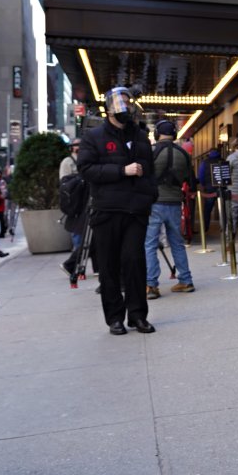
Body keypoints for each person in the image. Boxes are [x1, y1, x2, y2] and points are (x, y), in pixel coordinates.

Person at [79, 87, 158, 335]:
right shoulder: (94, 136)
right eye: (119, 103)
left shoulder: (141, 135)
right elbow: (86, 169)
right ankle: (115, 317)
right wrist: (122, 171)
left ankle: (137, 315)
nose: (125, 107)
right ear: (109, 107)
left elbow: (149, 169)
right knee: (109, 265)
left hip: (136, 210)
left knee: (135, 262)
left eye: (127, 102)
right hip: (107, 210)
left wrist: (149, 196)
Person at [145, 120, 195, 298]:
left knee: (149, 243)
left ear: (157, 133)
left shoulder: (151, 152)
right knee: (177, 243)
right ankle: (186, 280)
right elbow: (191, 180)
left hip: (154, 202)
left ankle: (151, 285)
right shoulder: (183, 153)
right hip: (175, 202)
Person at [60, 138, 87, 280]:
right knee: (77, 235)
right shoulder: (67, 162)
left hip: (84, 200)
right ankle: (75, 266)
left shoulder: (85, 159)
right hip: (75, 201)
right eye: (76, 146)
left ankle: (79, 266)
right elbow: (65, 183)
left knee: (85, 234)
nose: (78, 148)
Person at [196, 148, 223, 233]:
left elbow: (201, 176)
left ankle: (205, 228)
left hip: (209, 189)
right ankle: (224, 228)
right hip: (222, 188)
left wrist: (204, 184)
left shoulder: (205, 162)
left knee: (207, 209)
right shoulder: (223, 161)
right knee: (223, 209)